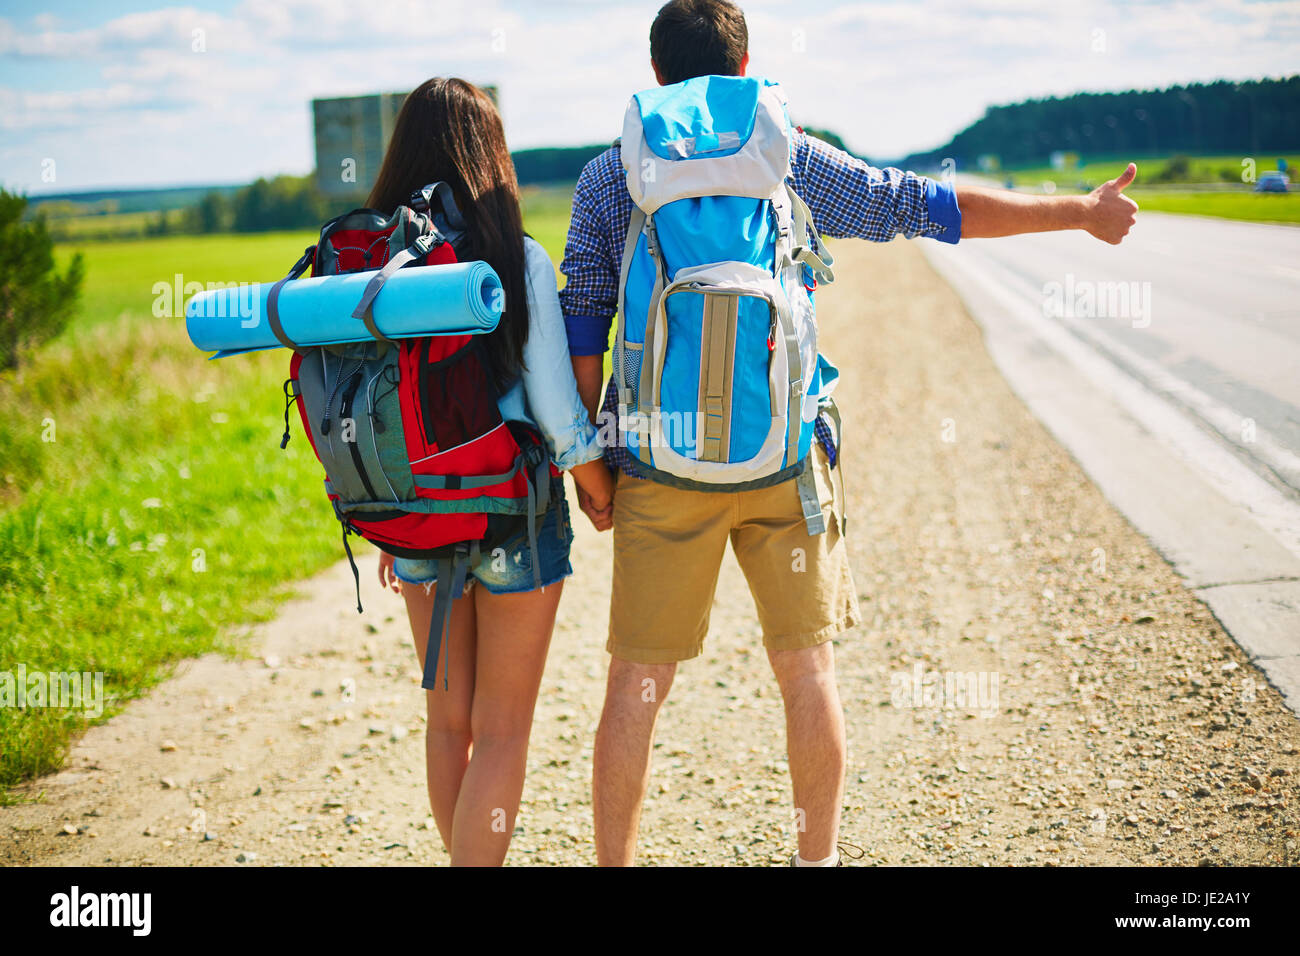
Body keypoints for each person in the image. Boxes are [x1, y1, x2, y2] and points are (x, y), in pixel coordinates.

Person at [560, 0, 1139, 866]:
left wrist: (590, 466)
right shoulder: (782, 154)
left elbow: (581, 320)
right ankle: (816, 861)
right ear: (746, 67)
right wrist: (1077, 212)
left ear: (654, 78)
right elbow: (924, 207)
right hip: (785, 462)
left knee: (636, 686)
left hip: (656, 460)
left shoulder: (612, 175)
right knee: (807, 673)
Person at [368, 77, 615, 866]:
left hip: (410, 509)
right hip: (513, 509)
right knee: (503, 730)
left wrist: (391, 508)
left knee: (449, 724)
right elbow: (553, 404)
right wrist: (596, 485)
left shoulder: (370, 265)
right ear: (491, 157)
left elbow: (377, 407)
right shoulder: (516, 257)